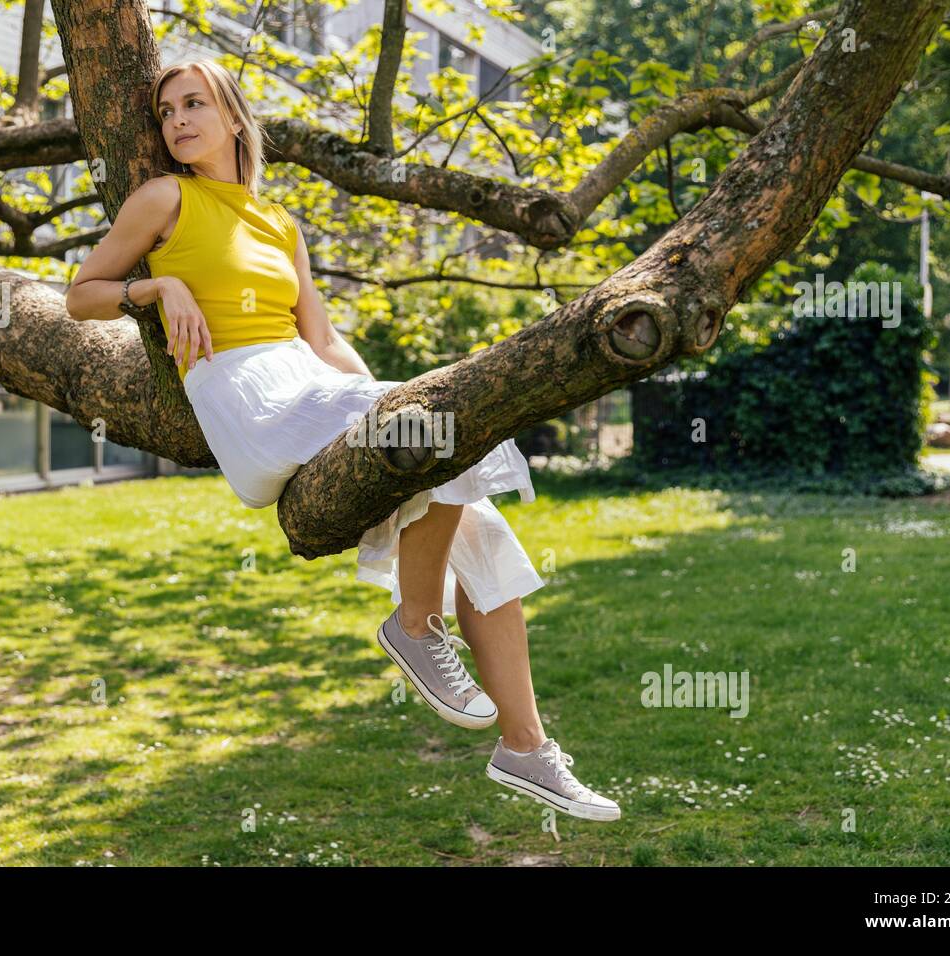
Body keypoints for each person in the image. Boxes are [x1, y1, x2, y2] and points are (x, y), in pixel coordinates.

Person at [64, 58, 619, 821]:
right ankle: (416, 625)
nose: (177, 121)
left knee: (481, 525)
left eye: (194, 104)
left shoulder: (278, 222)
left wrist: (386, 402)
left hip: (308, 383)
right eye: (165, 112)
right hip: (247, 397)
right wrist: (156, 287)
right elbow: (79, 296)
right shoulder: (165, 197)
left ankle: (526, 748)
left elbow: (324, 343)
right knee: (443, 428)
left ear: (234, 118)